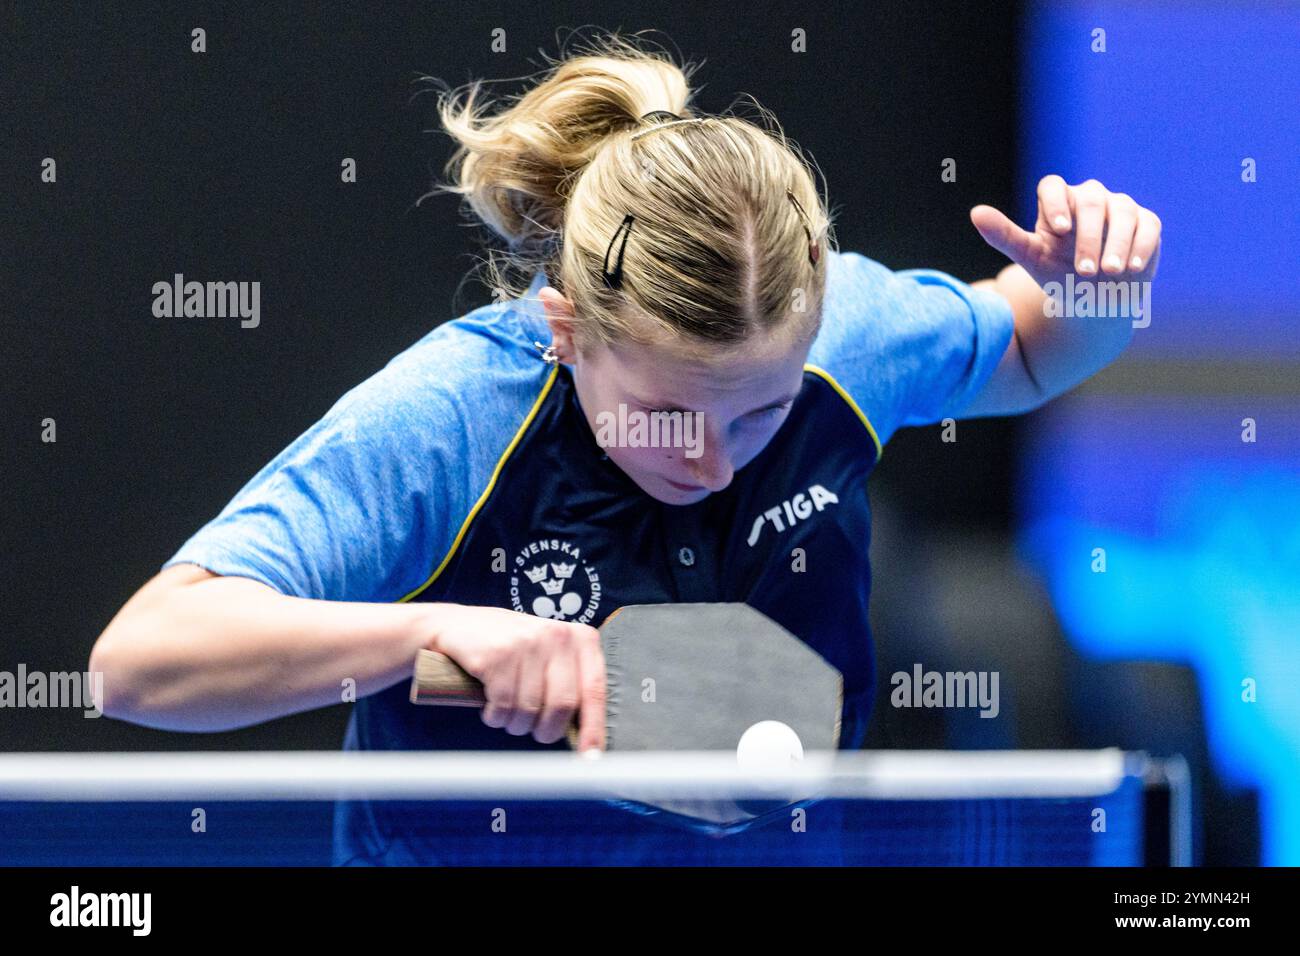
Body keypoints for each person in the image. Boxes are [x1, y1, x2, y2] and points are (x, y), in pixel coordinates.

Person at [88, 35, 1161, 864]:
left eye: (757, 415)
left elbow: (1024, 343)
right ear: (564, 326)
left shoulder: (848, 335)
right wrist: (429, 629)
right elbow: (139, 660)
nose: (713, 462)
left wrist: (1098, 295)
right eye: (668, 412)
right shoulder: (452, 417)